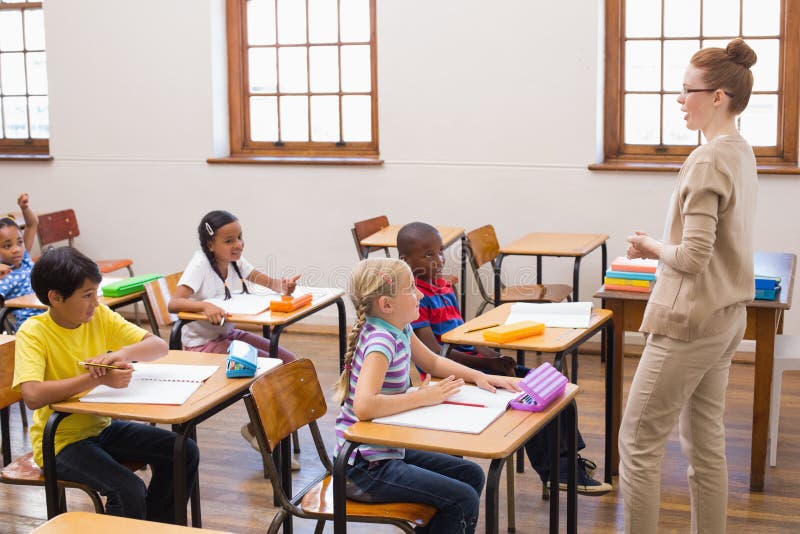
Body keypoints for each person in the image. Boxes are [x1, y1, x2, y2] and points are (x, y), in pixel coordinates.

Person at [618, 38, 758, 534]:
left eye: (686, 90)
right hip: (726, 317)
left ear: (717, 96)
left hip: (690, 319)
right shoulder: (739, 151)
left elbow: (694, 256)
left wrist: (649, 245)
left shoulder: (707, 160)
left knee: (637, 442)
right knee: (705, 442)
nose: (680, 99)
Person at [397, 221, 612, 497]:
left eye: (440, 252)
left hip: (477, 367)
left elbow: (463, 336)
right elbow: (439, 353)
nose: (439, 261)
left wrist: (494, 356)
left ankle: (567, 465)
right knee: (535, 396)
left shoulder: (442, 287)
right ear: (405, 261)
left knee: (557, 388)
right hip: (451, 377)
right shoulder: (415, 298)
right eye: (429, 255)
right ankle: (558, 472)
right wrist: (488, 365)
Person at [12, 246, 199, 523]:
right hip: (60, 442)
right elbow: (32, 395)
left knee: (183, 451)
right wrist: (97, 376)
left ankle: (158, 527)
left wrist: (120, 355)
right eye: (87, 295)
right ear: (55, 298)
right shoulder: (34, 332)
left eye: (95, 293)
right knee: (128, 490)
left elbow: (157, 346)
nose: (95, 303)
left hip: (101, 428)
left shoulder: (97, 317)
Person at [333, 258, 519, 533]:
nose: (419, 293)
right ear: (387, 305)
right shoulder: (380, 341)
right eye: (410, 289)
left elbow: (432, 361)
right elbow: (364, 406)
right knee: (462, 498)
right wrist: (423, 397)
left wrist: (480, 375)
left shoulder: (399, 327)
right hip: (363, 469)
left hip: (386, 451)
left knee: (471, 474)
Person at [168, 210, 300, 464]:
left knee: (288, 362)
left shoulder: (235, 260)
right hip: (201, 346)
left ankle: (257, 428)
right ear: (210, 244)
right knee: (268, 371)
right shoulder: (200, 265)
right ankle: (266, 439)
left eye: (239, 237)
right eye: (228, 241)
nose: (237, 245)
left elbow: (267, 282)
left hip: (228, 335)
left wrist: (284, 286)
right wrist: (204, 306)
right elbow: (174, 303)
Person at [0, 193, 42, 331]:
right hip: (29, 323)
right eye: (7, 246)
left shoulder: (24, 258)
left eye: (19, 242)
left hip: (49, 310)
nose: (16, 249)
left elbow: (32, 224)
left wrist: (25, 208)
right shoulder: (3, 276)